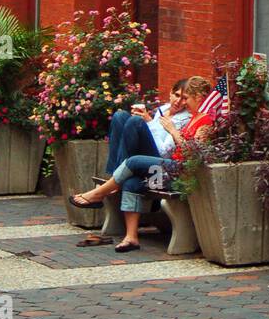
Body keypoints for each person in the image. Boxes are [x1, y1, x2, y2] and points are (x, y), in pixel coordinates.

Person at [70, 76, 216, 252]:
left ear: (198, 98)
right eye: (179, 96)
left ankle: (98, 193)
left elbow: (192, 154)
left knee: (133, 160)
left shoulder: (204, 122)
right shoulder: (191, 117)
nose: (182, 102)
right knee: (132, 181)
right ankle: (131, 237)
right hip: (164, 170)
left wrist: (172, 131)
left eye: (186, 98)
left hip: (176, 174)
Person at [104, 79, 190, 177]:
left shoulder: (184, 119)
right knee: (120, 116)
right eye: (177, 95)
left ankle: (117, 179)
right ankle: (113, 174)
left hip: (157, 160)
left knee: (135, 121)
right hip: (145, 149)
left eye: (184, 98)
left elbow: (163, 153)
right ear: (171, 93)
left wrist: (149, 121)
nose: (178, 101)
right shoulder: (163, 109)